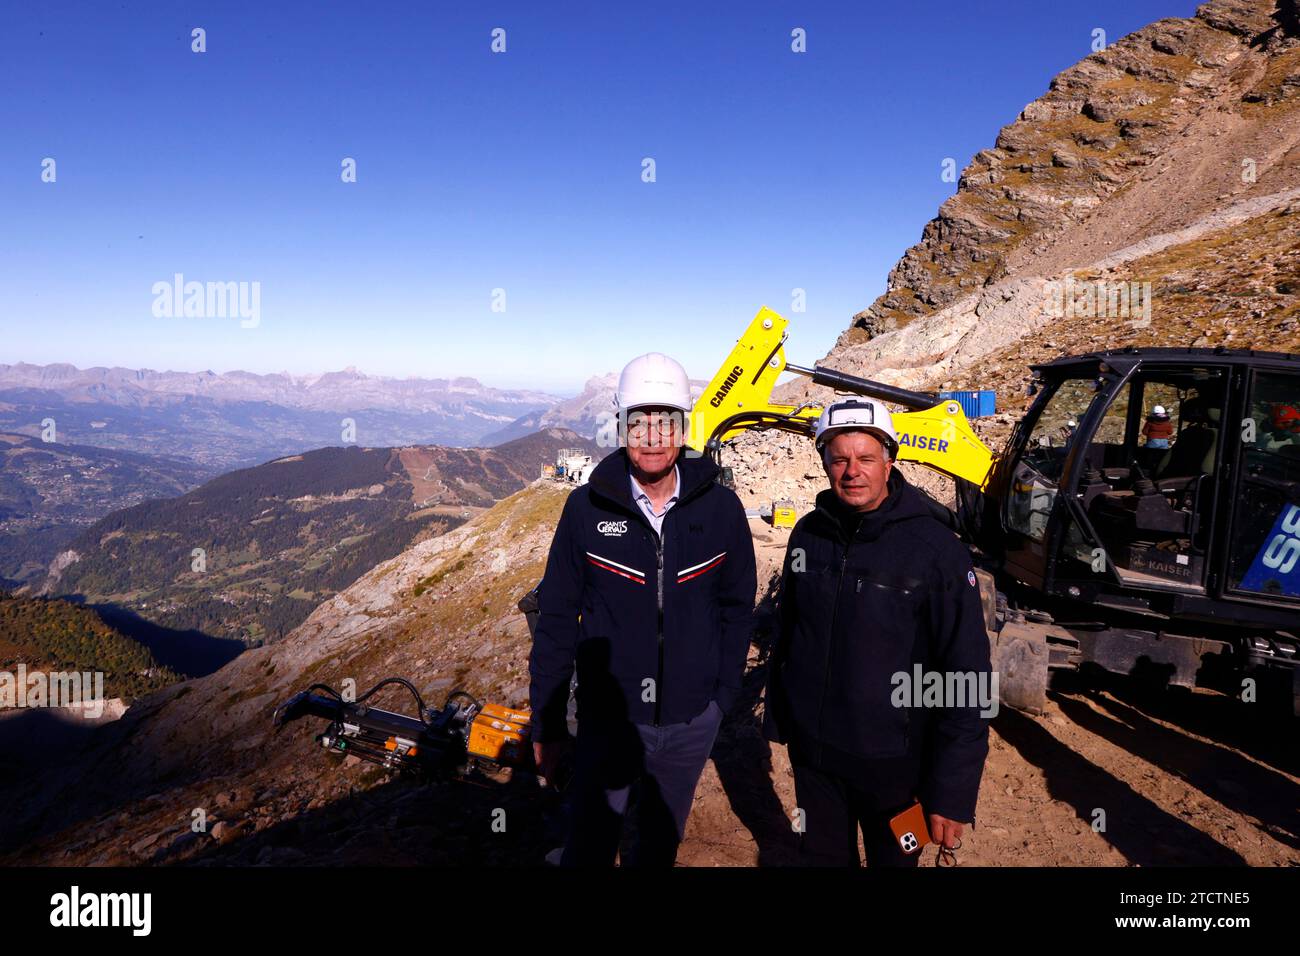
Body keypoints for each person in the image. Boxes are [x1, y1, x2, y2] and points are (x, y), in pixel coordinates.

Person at [528, 352, 757, 866]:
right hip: (608, 724)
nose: (652, 436)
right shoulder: (585, 509)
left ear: (684, 427)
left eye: (665, 421)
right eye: (639, 422)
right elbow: (558, 619)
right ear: (621, 427)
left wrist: (721, 696)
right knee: (589, 845)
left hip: (690, 723)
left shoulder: (720, 510)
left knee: (657, 847)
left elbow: (737, 606)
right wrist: (546, 725)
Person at [762, 398, 992, 866]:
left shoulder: (936, 551)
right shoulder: (808, 534)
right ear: (824, 462)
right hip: (816, 757)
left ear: (890, 460)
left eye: (866, 458)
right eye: (839, 459)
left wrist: (952, 790)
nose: (852, 472)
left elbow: (966, 672)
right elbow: (789, 633)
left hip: (896, 767)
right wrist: (784, 717)